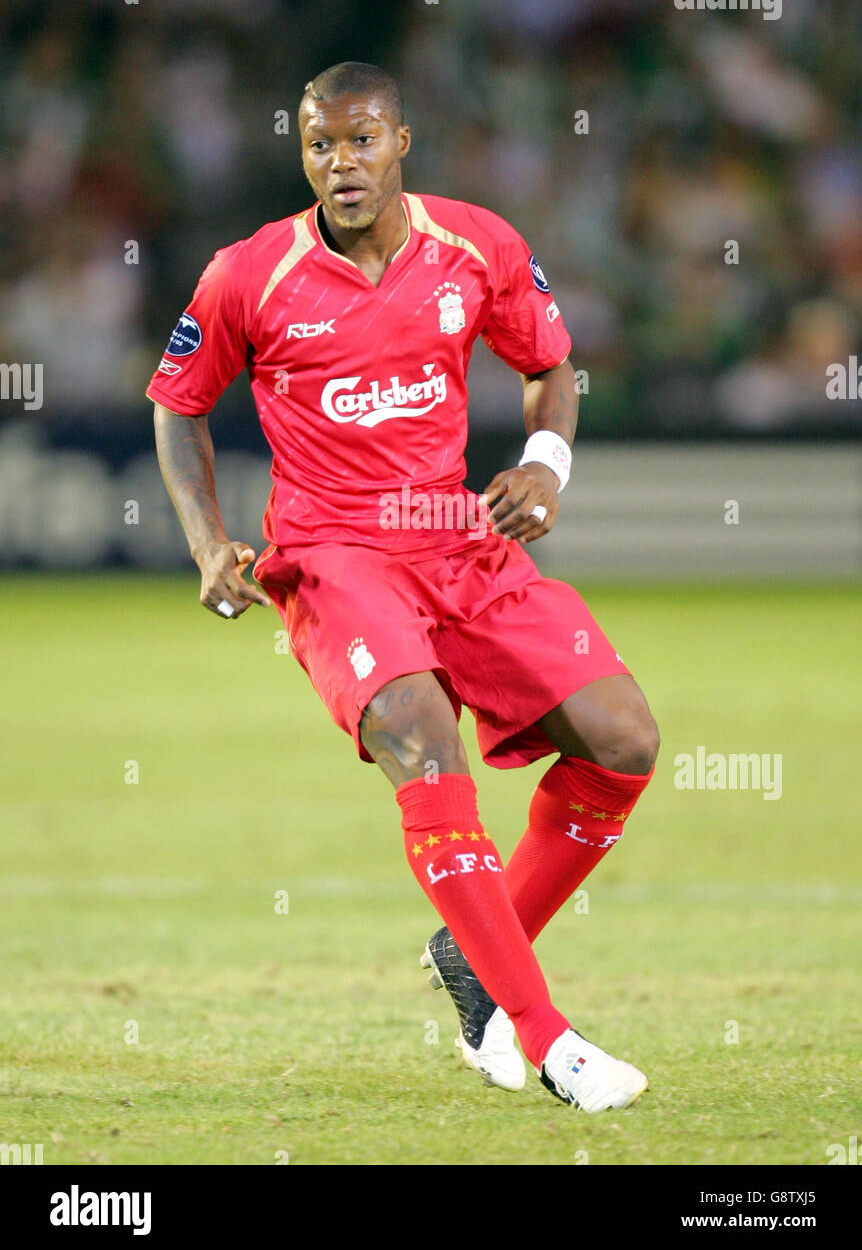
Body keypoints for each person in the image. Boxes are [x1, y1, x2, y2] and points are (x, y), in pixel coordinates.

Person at [147, 61, 659, 1112]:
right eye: (319, 144)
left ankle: (475, 954)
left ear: (401, 144)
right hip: (332, 555)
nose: (341, 162)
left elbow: (549, 366)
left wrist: (543, 466)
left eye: (360, 139)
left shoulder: (476, 245)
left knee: (623, 739)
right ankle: (545, 1034)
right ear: (302, 154)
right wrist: (207, 542)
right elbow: (176, 401)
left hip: (455, 537)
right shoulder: (247, 274)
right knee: (424, 737)